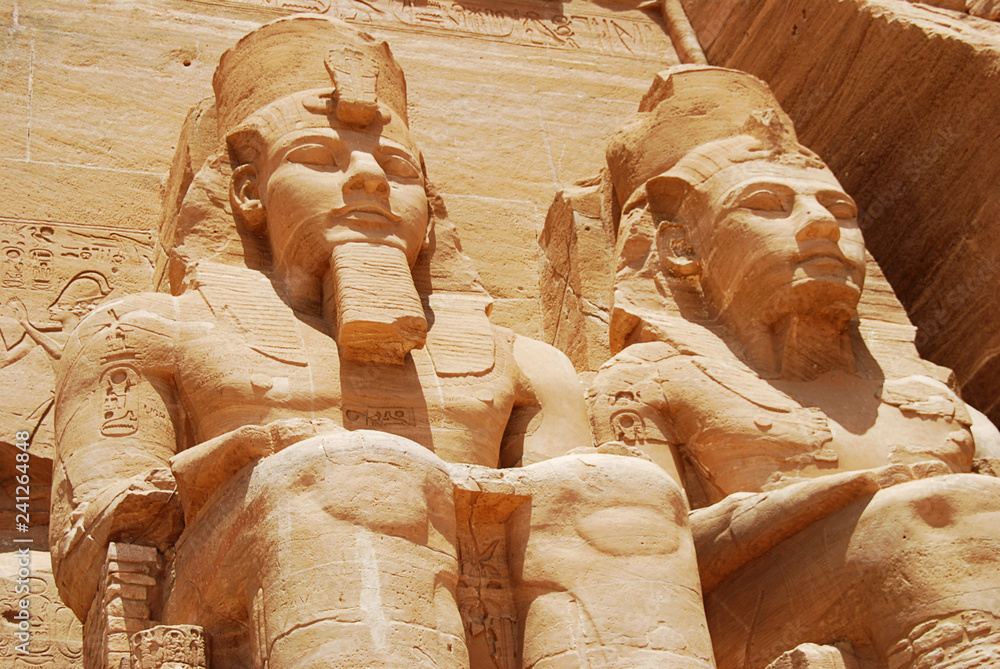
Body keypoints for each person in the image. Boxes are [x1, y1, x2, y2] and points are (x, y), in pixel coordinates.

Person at [50, 17, 714, 669]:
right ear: (249, 194)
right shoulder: (144, 333)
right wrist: (230, 460)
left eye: (396, 167)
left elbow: (570, 507)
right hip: (226, 583)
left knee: (629, 495)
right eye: (318, 158)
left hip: (477, 591)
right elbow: (87, 542)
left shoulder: (524, 363)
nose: (370, 179)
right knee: (361, 476)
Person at [588, 65, 1000, 669]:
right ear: (681, 248)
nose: (822, 223)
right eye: (767, 205)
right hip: (752, 618)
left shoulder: (931, 399)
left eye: (842, 208)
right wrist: (852, 496)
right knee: (933, 517)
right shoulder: (651, 380)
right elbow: (636, 554)